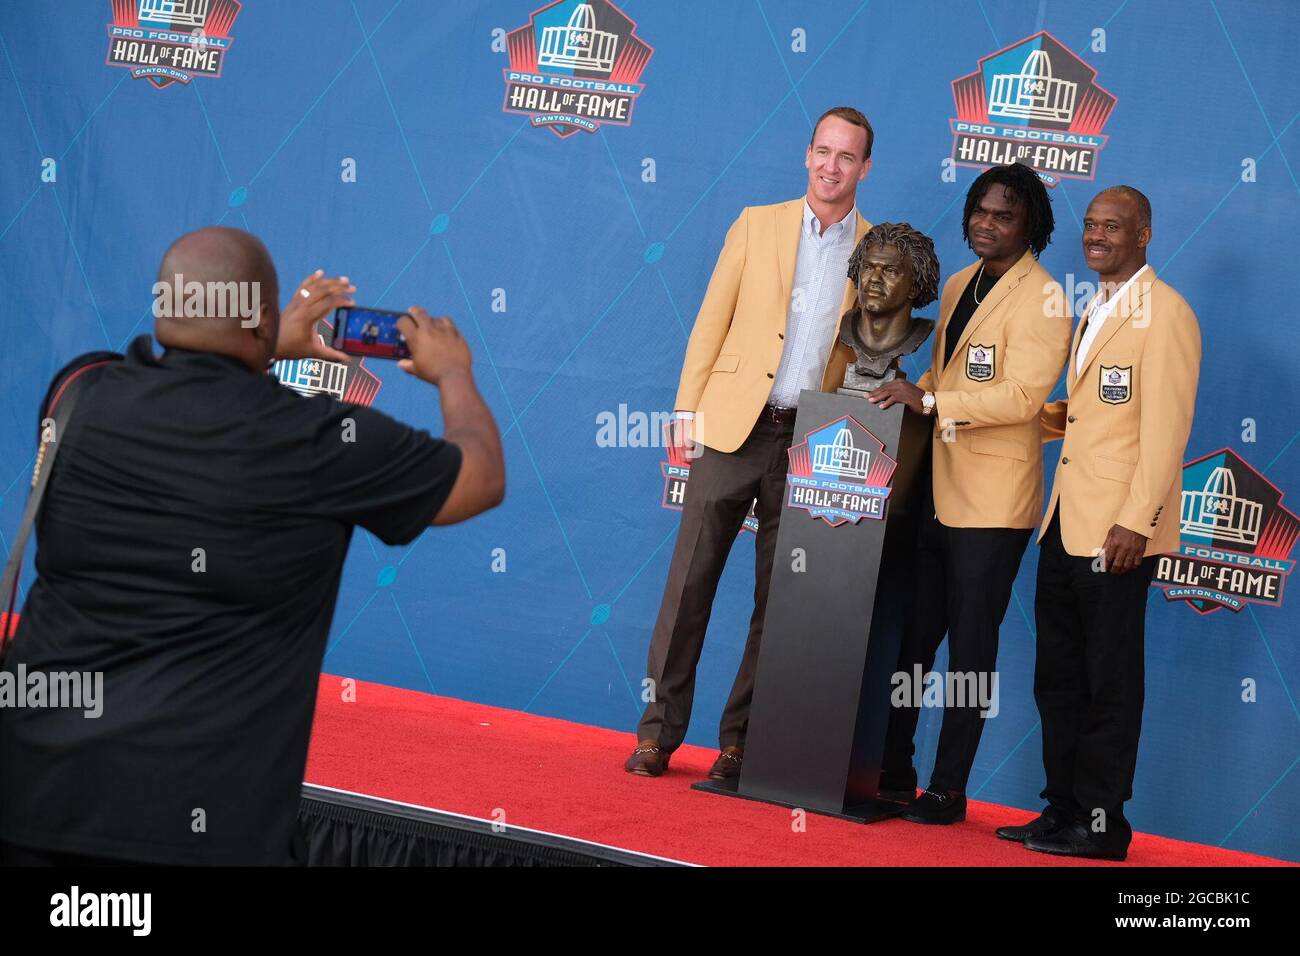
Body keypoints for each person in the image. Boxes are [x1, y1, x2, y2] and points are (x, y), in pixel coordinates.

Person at [0, 226, 505, 865]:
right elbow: (480, 476)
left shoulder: (77, 395)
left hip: (32, 806)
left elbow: (191, 381)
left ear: (164, 308)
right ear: (261, 320)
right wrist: (453, 373)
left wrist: (261, 343)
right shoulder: (318, 441)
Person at [626, 107, 875, 779]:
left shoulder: (878, 250)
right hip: (733, 425)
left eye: (846, 156)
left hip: (811, 439)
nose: (832, 165)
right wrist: (686, 410)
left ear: (864, 168)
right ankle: (657, 734)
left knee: (782, 599)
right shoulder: (755, 223)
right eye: (823, 151)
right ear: (807, 156)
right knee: (689, 585)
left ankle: (741, 742)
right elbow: (713, 319)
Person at [999, 186, 1200, 860]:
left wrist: (1136, 522)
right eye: (1090, 225)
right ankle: (1061, 812)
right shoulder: (1095, 308)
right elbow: (1097, 414)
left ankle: (1104, 824)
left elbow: (1165, 433)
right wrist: (1038, 414)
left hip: (1118, 533)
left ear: (1144, 234)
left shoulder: (1166, 314)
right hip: (1064, 524)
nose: (1097, 236)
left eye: (1112, 226)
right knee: (1058, 678)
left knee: (1109, 682)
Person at [870, 163, 1071, 823]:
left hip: (992, 505)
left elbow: (1022, 397)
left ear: (1030, 225)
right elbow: (937, 377)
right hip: (932, 492)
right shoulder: (958, 283)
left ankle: (949, 788)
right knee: (913, 644)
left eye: (1003, 215)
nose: (987, 224)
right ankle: (892, 770)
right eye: (980, 212)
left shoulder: (1044, 298)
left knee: (970, 653)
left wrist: (929, 399)